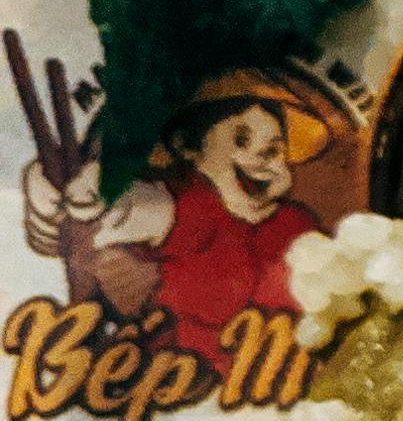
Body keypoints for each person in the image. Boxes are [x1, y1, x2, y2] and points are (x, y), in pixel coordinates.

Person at [16, 72, 335, 376]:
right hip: (177, 388)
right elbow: (108, 210)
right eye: (241, 139)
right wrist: (63, 195)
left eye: (275, 148)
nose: (263, 158)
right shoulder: (177, 205)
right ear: (186, 147)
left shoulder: (296, 223)